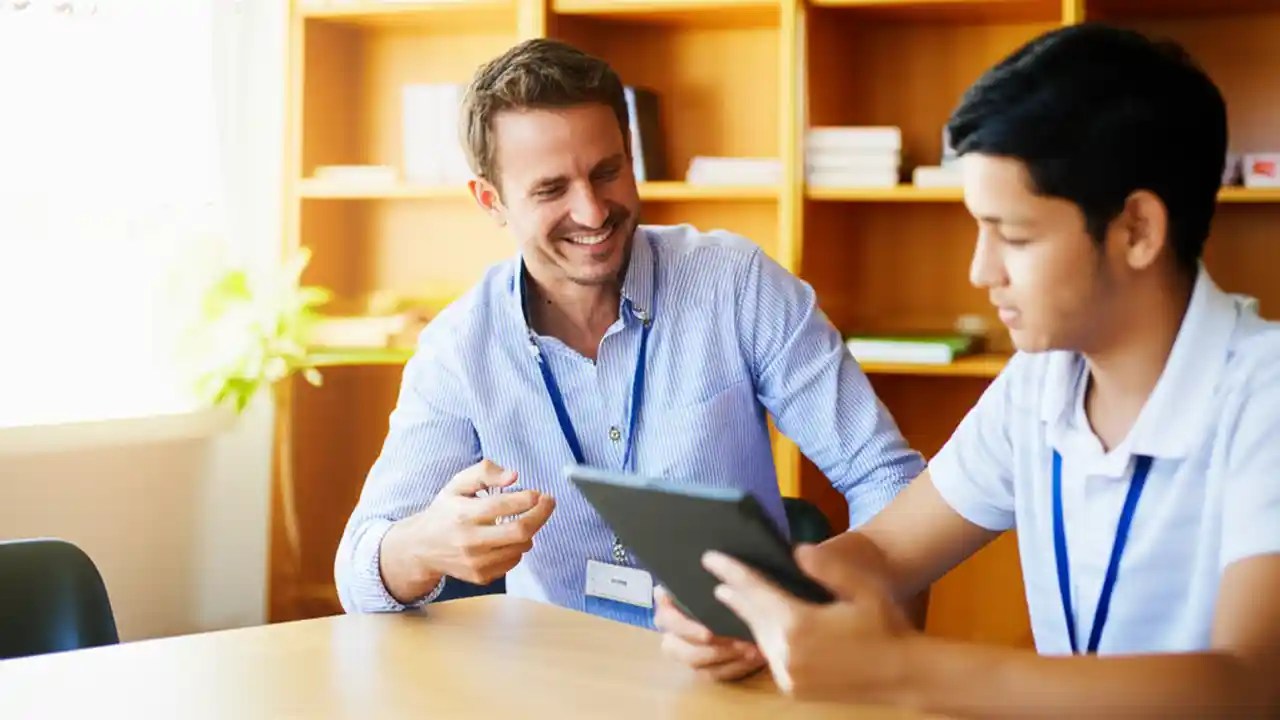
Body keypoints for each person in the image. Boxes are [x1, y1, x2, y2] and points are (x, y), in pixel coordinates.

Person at [655, 22, 1280, 717]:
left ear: (1137, 230)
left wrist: (903, 669)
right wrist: (768, 600)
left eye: (1013, 236)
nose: (981, 272)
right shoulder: (1041, 381)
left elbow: (1248, 683)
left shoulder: (1266, 395)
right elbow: (887, 551)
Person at [333, 38, 926, 635]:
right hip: (560, 682)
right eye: (551, 190)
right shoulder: (459, 348)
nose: (592, 212)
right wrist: (419, 548)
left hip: (738, 667)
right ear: (491, 201)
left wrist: (858, 637)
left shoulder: (735, 284)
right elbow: (358, 569)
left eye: (607, 172)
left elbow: (885, 476)